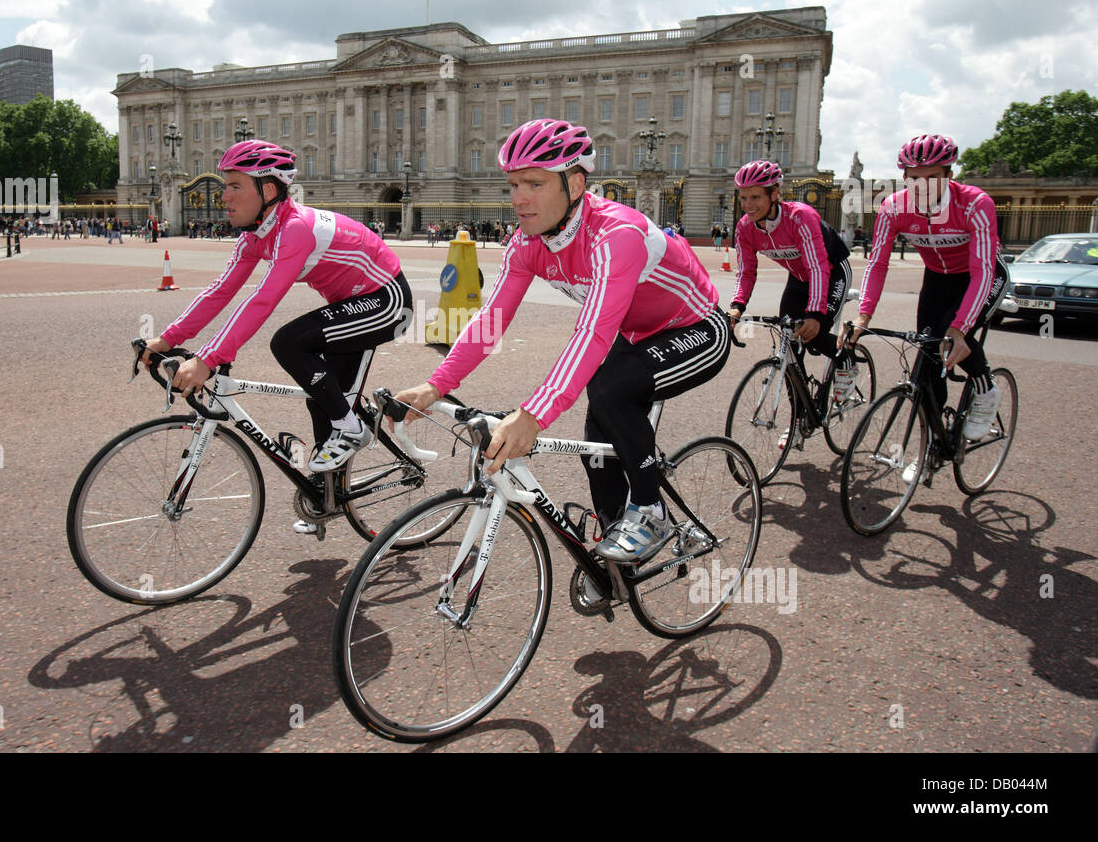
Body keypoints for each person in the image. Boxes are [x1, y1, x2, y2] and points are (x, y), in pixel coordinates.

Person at [394, 119, 730, 564]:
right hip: (633, 336)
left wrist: (533, 415)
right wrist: (436, 385)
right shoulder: (527, 243)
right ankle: (614, 542)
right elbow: (490, 321)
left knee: (609, 390)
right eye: (513, 184)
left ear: (574, 183)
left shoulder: (616, 235)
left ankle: (650, 512)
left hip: (696, 328)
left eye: (533, 183)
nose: (518, 198)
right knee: (597, 442)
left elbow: (592, 333)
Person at [142, 140, 412, 521]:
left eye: (235, 186)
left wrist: (207, 358)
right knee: (320, 396)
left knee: (288, 343)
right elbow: (220, 291)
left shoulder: (295, 229)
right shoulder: (256, 235)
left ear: (267, 190)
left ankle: (353, 429)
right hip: (350, 304)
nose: (224, 197)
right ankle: (328, 495)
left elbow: (262, 301)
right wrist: (167, 339)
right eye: (224, 186)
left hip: (387, 301)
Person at [843, 134, 1008, 441]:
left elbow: (982, 270)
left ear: (949, 176)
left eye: (933, 178)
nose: (923, 186)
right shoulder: (894, 207)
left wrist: (961, 329)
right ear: (904, 178)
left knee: (953, 335)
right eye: (915, 179)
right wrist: (864, 317)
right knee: (928, 357)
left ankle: (986, 391)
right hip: (937, 279)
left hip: (982, 277)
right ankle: (934, 440)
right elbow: (877, 264)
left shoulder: (975, 203)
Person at [726, 159, 857, 444]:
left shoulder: (800, 217)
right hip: (799, 278)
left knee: (811, 332)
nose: (748, 204)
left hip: (831, 272)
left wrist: (815, 314)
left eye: (756, 197)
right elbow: (746, 271)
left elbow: (818, 266)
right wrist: (737, 307)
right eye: (744, 197)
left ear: (775, 194)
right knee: (789, 347)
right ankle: (800, 419)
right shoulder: (745, 228)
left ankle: (845, 357)